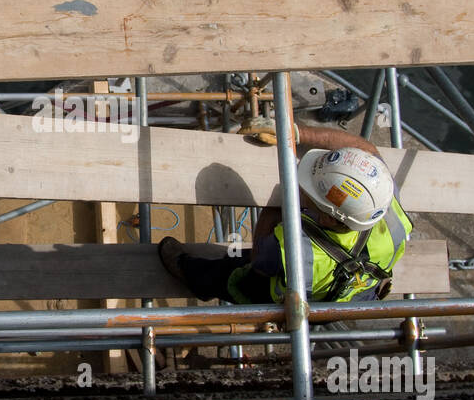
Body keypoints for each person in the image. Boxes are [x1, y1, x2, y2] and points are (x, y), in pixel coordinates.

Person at [158, 127, 412, 305]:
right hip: (358, 294)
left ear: (326, 219)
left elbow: (260, 261)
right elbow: (365, 149)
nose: (304, 185)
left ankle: (190, 273)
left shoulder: (295, 251)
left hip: (305, 295)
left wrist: (277, 204)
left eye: (309, 190)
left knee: (230, 273)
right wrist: (296, 132)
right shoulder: (380, 197)